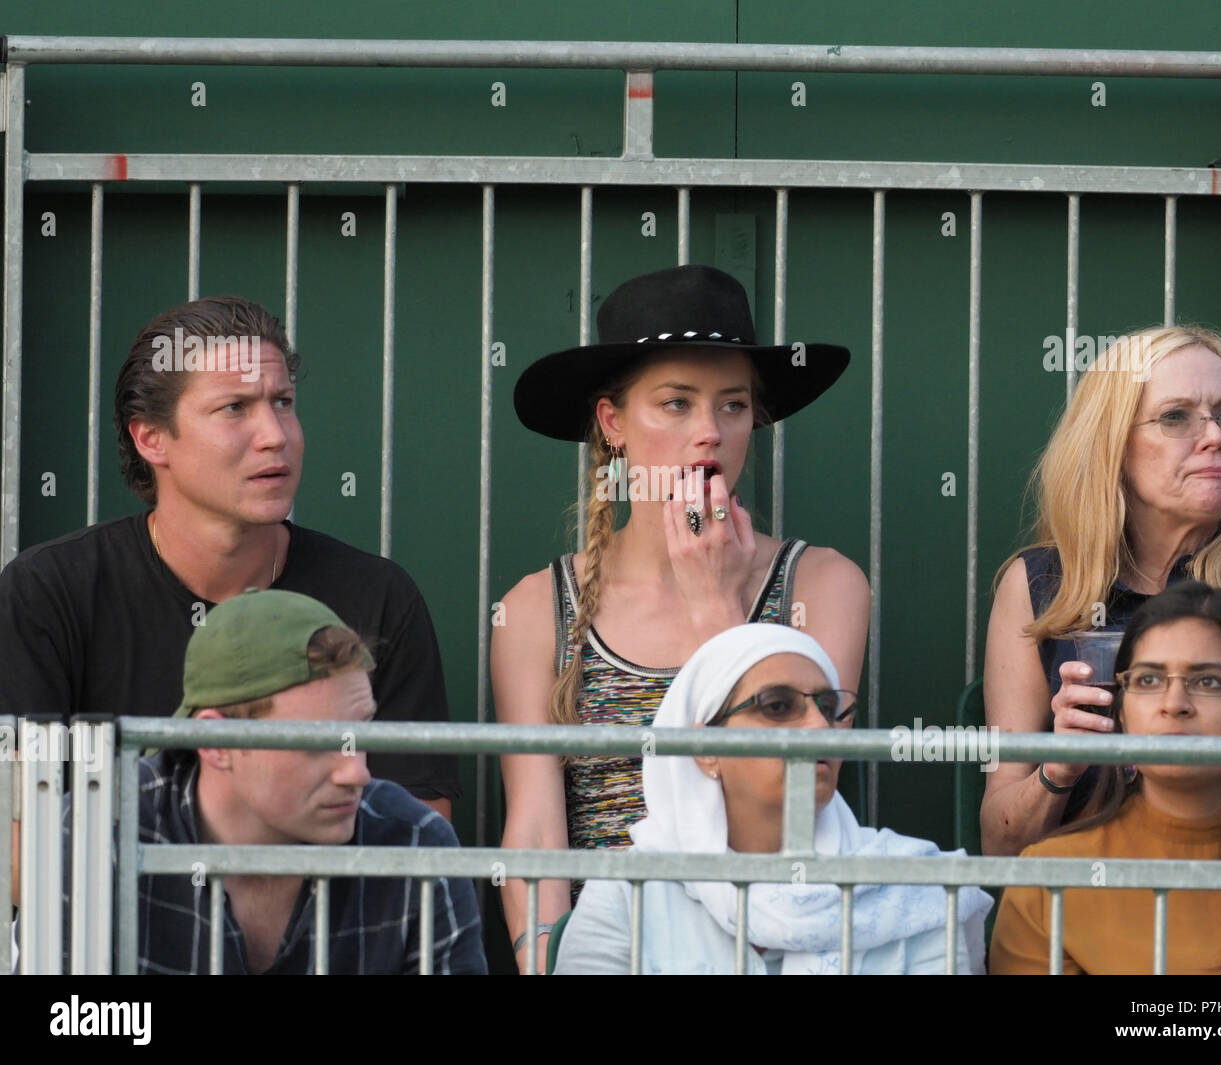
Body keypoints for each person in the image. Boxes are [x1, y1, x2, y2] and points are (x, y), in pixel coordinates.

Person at [493, 265, 871, 972]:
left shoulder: (822, 584)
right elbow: (538, 831)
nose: (709, 433)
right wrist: (544, 963)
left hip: (777, 943)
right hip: (609, 948)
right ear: (612, 424)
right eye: (675, 404)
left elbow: (795, 796)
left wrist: (716, 607)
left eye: (732, 406)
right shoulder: (535, 608)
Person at [0, 296, 458, 816]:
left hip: (320, 899)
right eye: (234, 408)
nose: (275, 436)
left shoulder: (377, 596)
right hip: (103, 898)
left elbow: (414, 847)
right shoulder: (49, 592)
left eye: (283, 402)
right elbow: (16, 837)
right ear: (151, 438)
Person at [981, 325, 1221, 856]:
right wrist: (1058, 768)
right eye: (1176, 417)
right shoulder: (1039, 586)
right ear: (1112, 446)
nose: (1216, 437)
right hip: (1087, 904)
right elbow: (999, 842)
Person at [86, 588, 485, 974]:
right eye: (315, 741)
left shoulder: (416, 843)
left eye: (362, 732)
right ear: (214, 742)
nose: (357, 772)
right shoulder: (102, 833)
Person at [554, 624, 991, 974]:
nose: (820, 728)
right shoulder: (628, 892)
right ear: (705, 751)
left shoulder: (918, 891)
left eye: (828, 706)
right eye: (778, 706)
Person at [990, 582, 1221, 974]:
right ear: (1120, 708)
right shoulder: (1048, 876)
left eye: (1209, 682)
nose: (1174, 705)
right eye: (1149, 681)